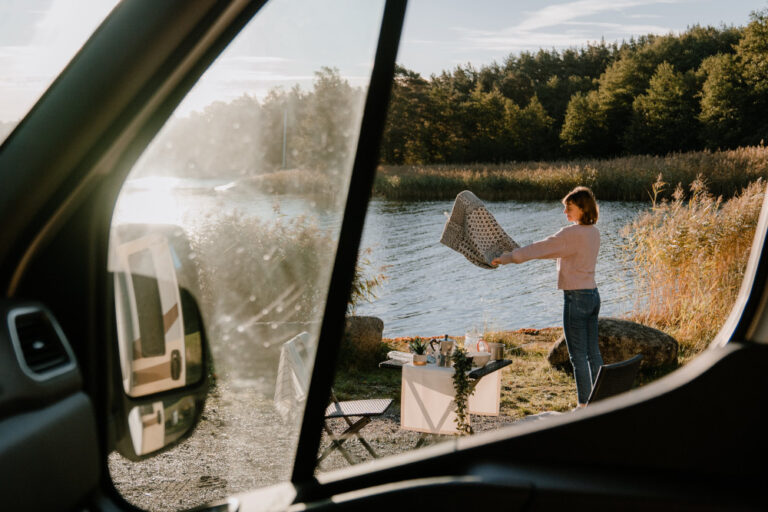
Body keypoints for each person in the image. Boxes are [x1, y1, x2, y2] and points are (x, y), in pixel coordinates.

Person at [491, 186, 603, 407]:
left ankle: (584, 407)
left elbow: (539, 248)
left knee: (578, 357)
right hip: (593, 296)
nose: (565, 212)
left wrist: (506, 258)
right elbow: (553, 252)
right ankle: (602, 401)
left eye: (568, 208)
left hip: (576, 299)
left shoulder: (570, 234)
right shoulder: (593, 233)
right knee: (593, 353)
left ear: (581, 208)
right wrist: (519, 256)